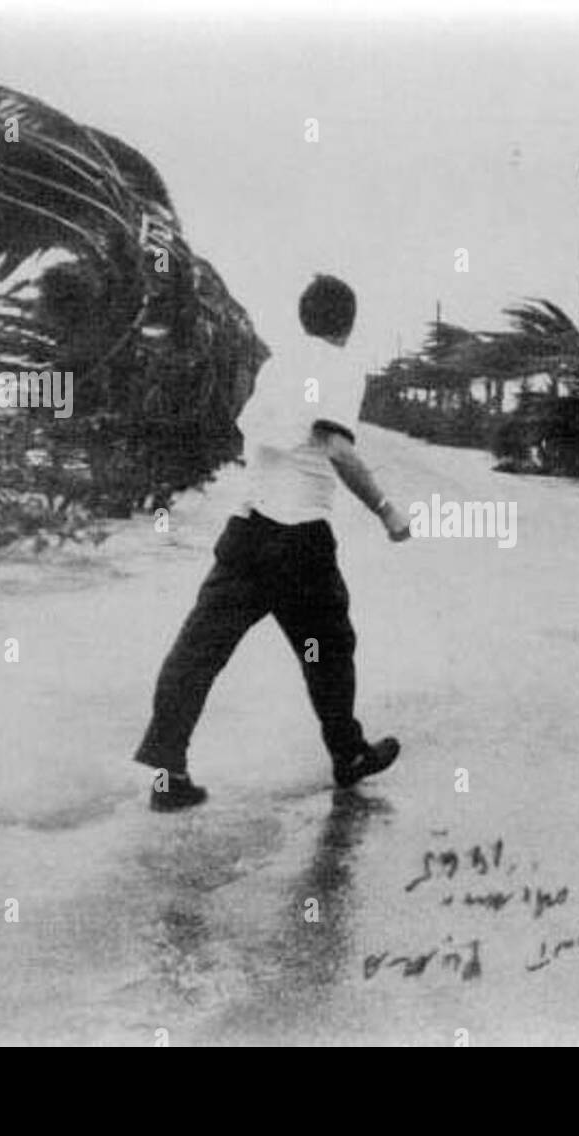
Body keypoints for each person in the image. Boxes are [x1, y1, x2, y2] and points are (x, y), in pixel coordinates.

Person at [134, 274, 410, 810]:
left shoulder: (278, 367)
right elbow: (337, 449)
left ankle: (168, 774)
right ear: (347, 324)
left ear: (305, 318)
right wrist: (385, 509)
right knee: (329, 651)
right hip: (300, 539)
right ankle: (348, 754)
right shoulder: (340, 367)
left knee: (199, 650)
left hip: (246, 532)